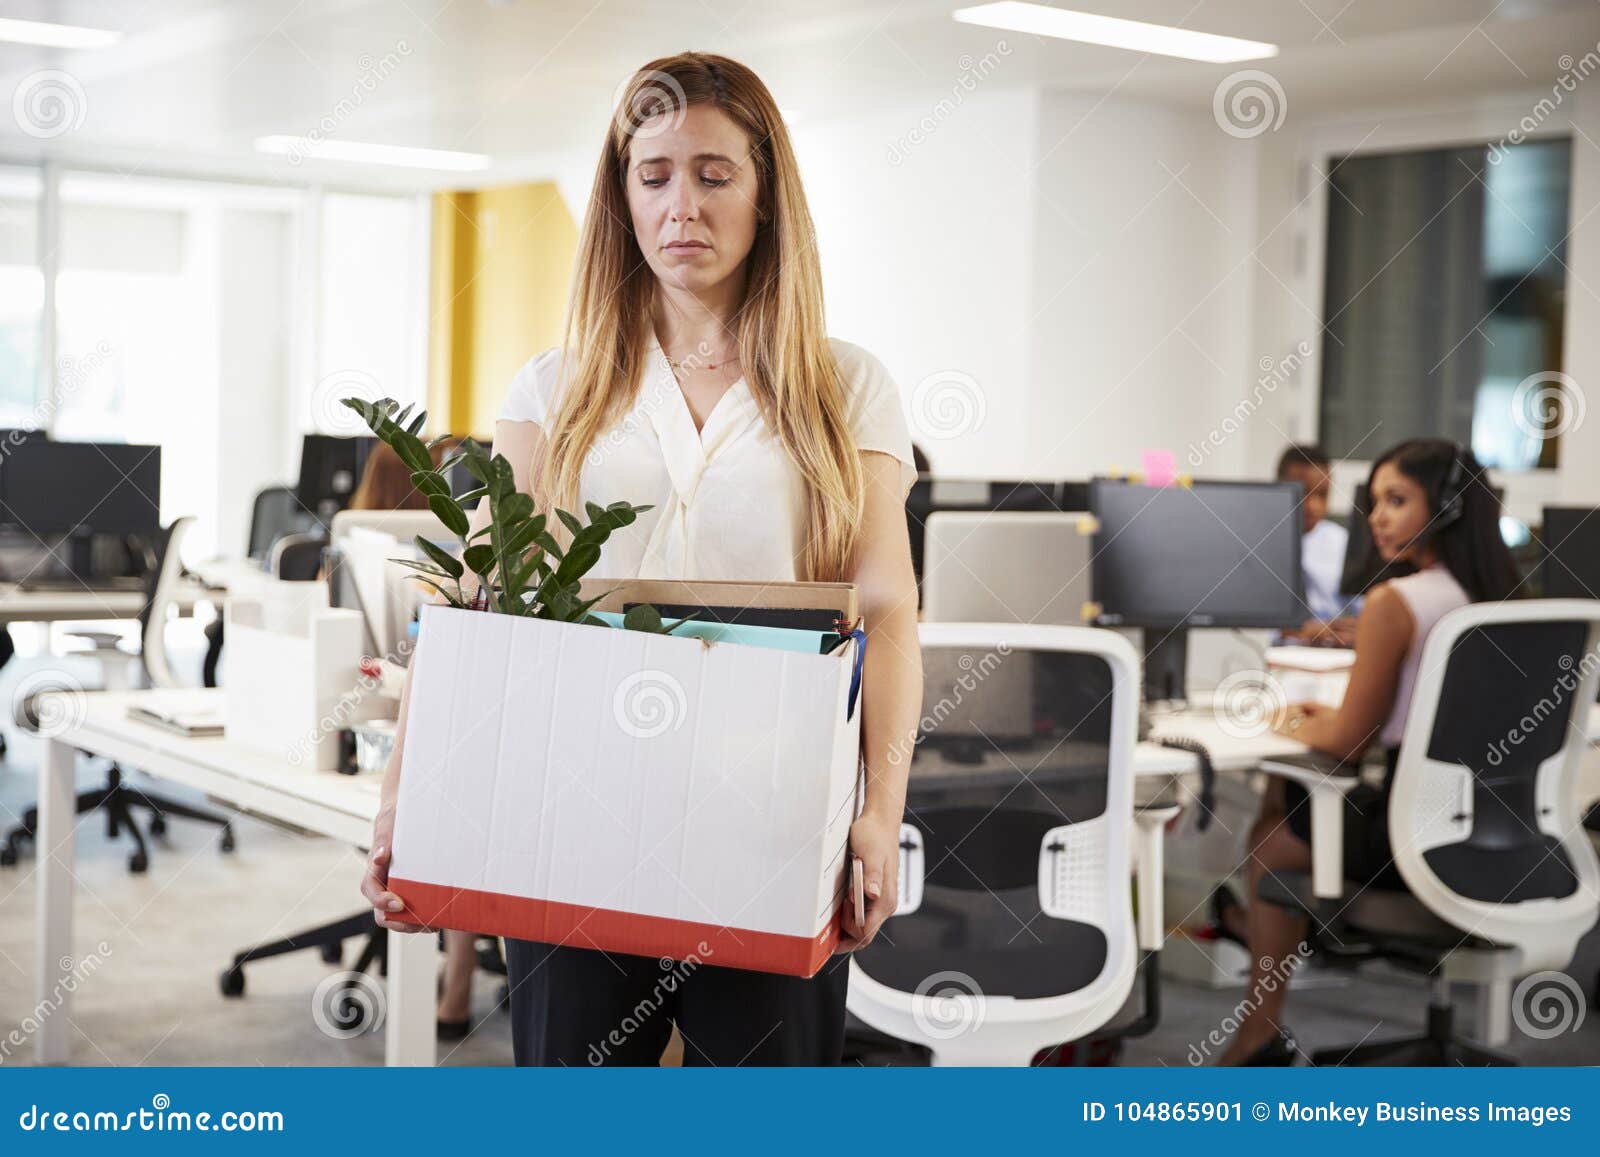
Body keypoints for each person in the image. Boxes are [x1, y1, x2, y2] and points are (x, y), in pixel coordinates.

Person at [361, 52, 923, 1066]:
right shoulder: (553, 388)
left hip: (773, 806)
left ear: (765, 194)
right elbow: (486, 610)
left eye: (714, 174)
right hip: (572, 798)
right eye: (652, 174)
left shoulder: (846, 385)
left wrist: (880, 811)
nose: (682, 206)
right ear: (620, 197)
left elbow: (887, 615)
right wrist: (406, 794)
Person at [1213, 438, 1518, 1065]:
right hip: (1499, 832)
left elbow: (1349, 741)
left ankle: (1258, 1031)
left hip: (1415, 835)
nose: (1376, 518)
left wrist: (1291, 721)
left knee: (1273, 837)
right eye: (1375, 502)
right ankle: (1267, 957)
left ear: (1448, 508)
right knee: (1298, 803)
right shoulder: (1502, 599)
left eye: (1397, 500)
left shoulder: (1394, 601)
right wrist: (1334, 721)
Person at [1276, 444, 1359, 647]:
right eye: (1303, 493)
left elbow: (1366, 612)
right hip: (1276, 653)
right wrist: (1297, 629)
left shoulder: (1343, 543)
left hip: (1330, 652)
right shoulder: (1258, 543)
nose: (1314, 506)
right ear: (1280, 488)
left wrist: (1342, 629)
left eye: (1322, 494)